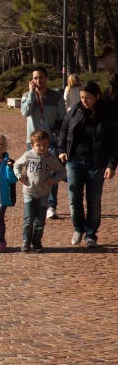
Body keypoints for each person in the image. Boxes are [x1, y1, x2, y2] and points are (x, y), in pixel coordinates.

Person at [58, 81, 118, 248]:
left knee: (94, 200)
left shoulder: (107, 115)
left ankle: (91, 233)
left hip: (96, 164)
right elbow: (64, 128)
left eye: (88, 98)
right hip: (74, 161)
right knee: (74, 198)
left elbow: (115, 142)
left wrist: (111, 165)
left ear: (97, 96)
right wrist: (62, 149)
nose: (85, 101)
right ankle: (78, 228)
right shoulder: (75, 110)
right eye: (83, 97)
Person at [20, 67, 66, 219]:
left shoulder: (56, 96)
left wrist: (56, 132)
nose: (39, 81)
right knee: (34, 172)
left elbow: (63, 118)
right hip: (32, 141)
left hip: (50, 140)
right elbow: (25, 112)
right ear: (32, 80)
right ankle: (35, 201)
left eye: (41, 77)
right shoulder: (27, 95)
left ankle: (51, 205)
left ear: (46, 78)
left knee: (51, 172)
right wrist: (32, 94)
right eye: (36, 78)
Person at [13, 129, 66, 253]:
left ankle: (36, 241)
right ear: (32, 145)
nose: (42, 147)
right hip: (29, 192)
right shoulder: (28, 155)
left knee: (40, 220)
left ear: (48, 144)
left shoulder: (51, 158)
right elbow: (16, 165)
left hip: (43, 193)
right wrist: (20, 176)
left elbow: (62, 171)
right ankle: (26, 241)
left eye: (45, 145)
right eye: (38, 145)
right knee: (28, 219)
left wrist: (53, 180)